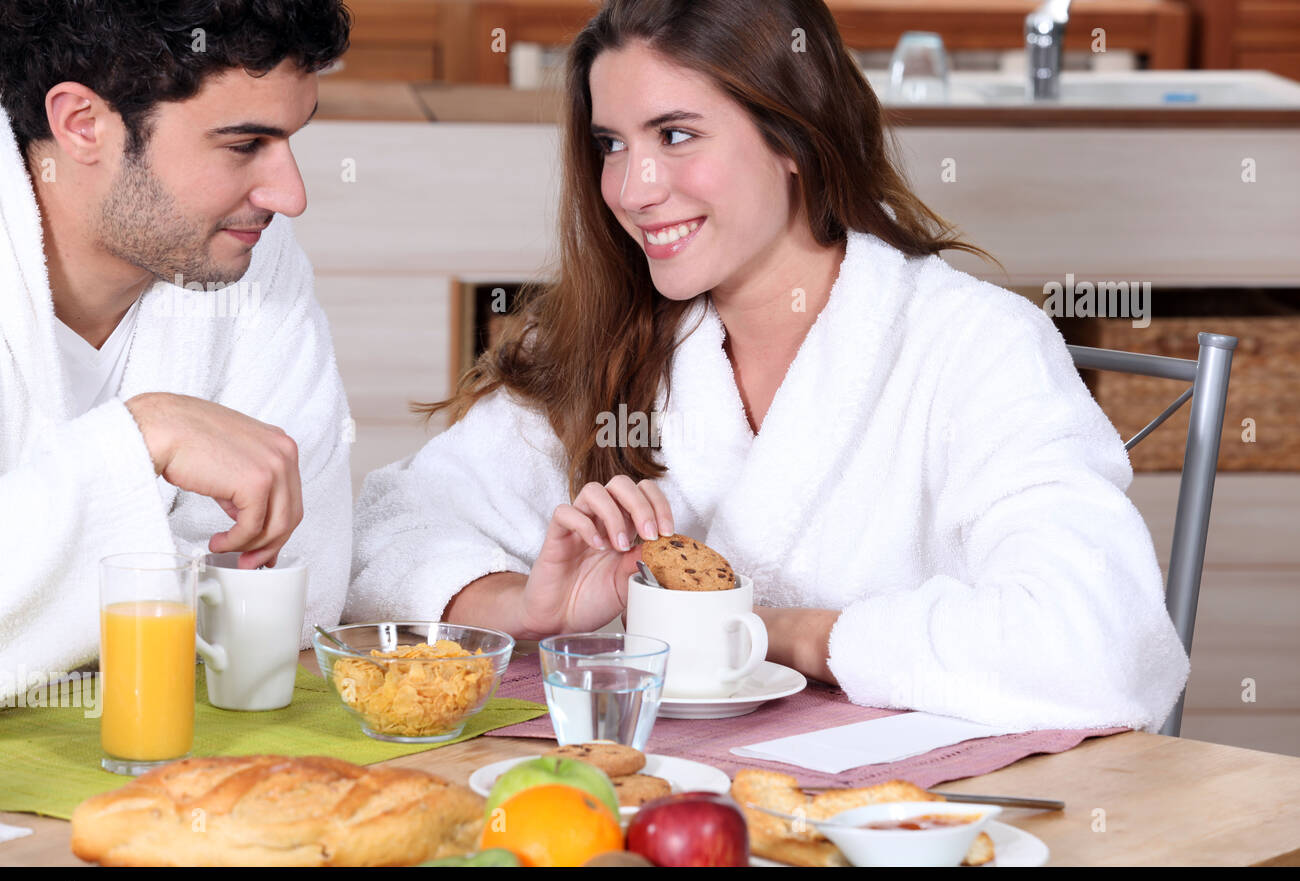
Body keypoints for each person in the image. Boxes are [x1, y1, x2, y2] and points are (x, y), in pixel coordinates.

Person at [346, 0, 1189, 733]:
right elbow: (388, 530)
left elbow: (1099, 641)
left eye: (676, 135)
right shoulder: (601, 340)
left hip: (923, 821)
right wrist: (526, 607)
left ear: (792, 135)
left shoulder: (974, 348)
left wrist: (781, 631)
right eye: (611, 143)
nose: (634, 189)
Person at [0, 0, 354, 703]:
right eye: (243, 145)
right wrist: (141, 439)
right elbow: (226, 612)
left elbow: (298, 602)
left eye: (290, 140)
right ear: (82, 125)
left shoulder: (259, 267)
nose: (291, 195)